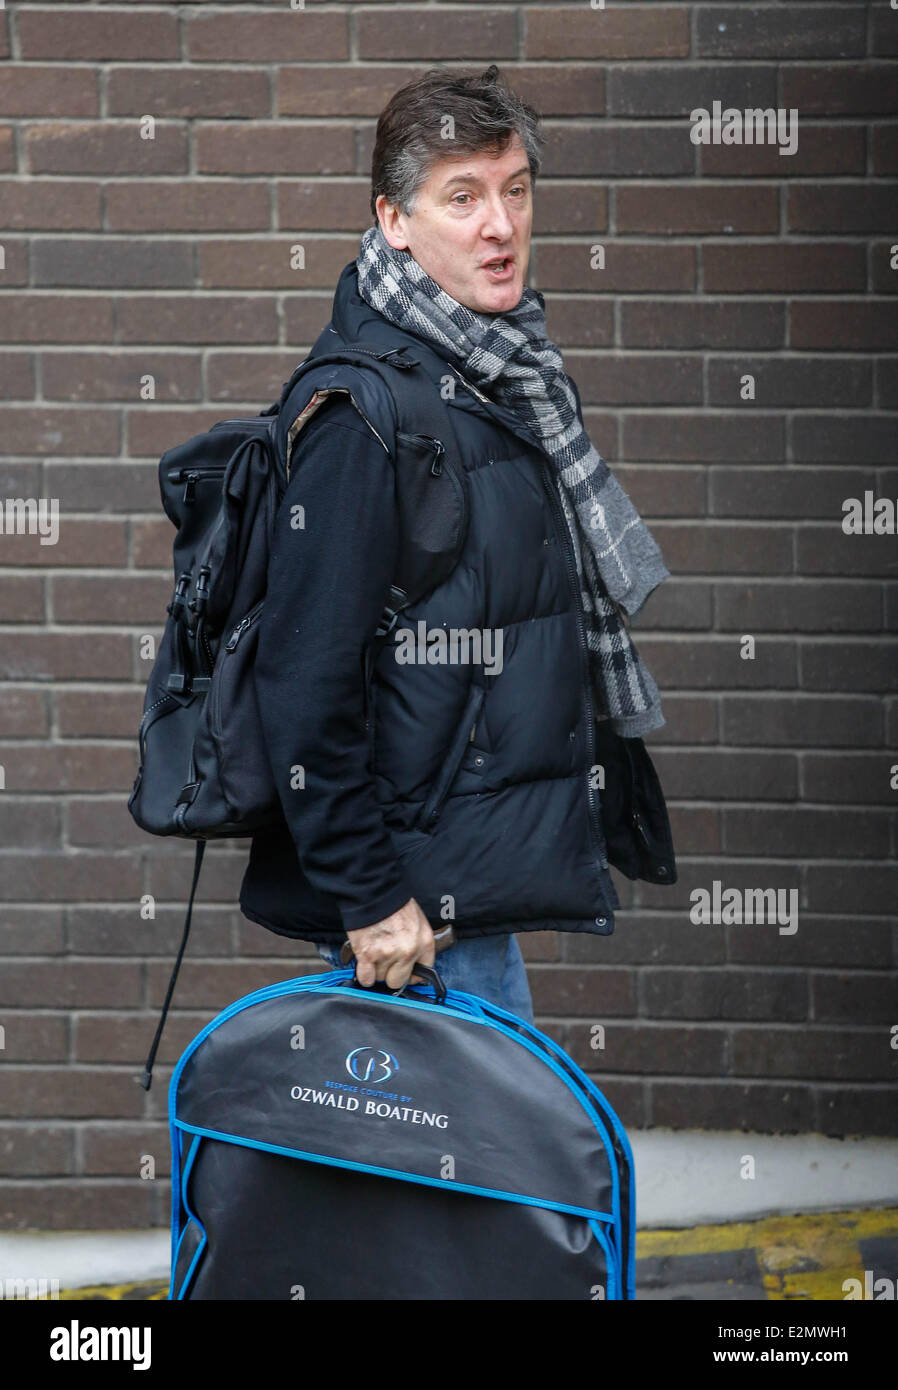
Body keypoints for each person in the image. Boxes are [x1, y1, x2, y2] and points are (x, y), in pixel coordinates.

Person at [239, 65, 675, 1024]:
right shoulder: (366, 411)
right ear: (393, 219)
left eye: (515, 190)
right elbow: (304, 677)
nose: (501, 225)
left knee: (463, 1173)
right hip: (412, 919)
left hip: (463, 887)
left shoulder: (504, 375)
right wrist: (370, 897)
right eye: (463, 197)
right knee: (488, 1176)